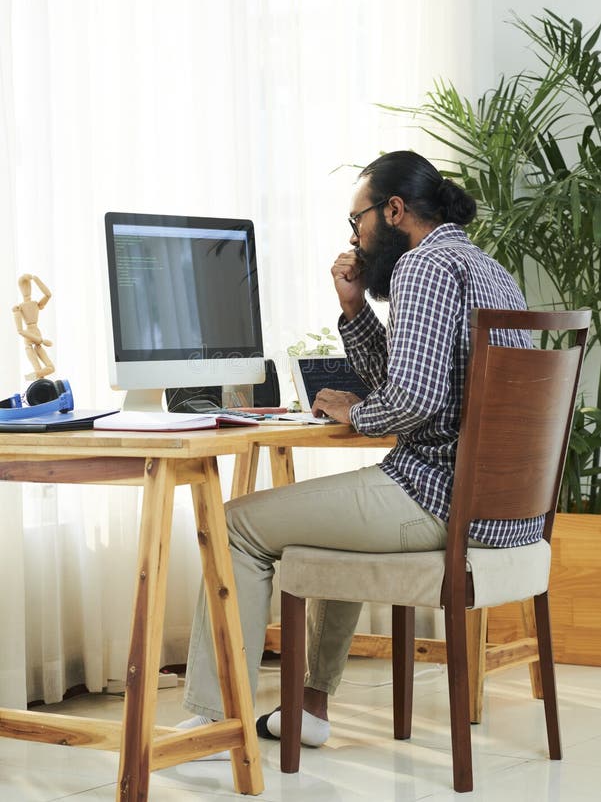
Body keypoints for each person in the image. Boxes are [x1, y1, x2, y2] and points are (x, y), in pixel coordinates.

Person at [179, 150, 539, 753]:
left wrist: (357, 413)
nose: (355, 237)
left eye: (358, 221)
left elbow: (414, 401)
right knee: (326, 522)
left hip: (436, 498)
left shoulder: (423, 268)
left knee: (236, 523)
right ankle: (311, 708)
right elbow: (406, 378)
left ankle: (219, 722)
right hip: (500, 510)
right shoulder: (487, 268)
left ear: (394, 210)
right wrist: (353, 308)